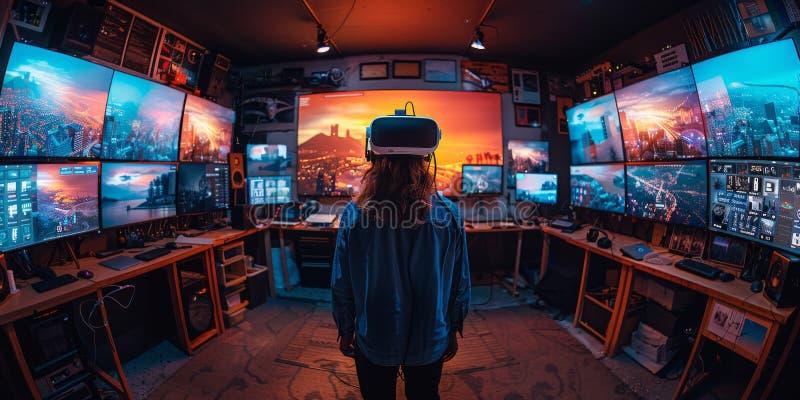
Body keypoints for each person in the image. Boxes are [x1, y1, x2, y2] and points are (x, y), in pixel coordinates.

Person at [331, 154, 471, 400]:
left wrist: (346, 328)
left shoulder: (355, 214)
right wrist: (452, 329)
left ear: (374, 158)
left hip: (375, 335)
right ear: (426, 158)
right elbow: (460, 281)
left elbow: (342, 281)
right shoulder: (449, 214)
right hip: (430, 336)